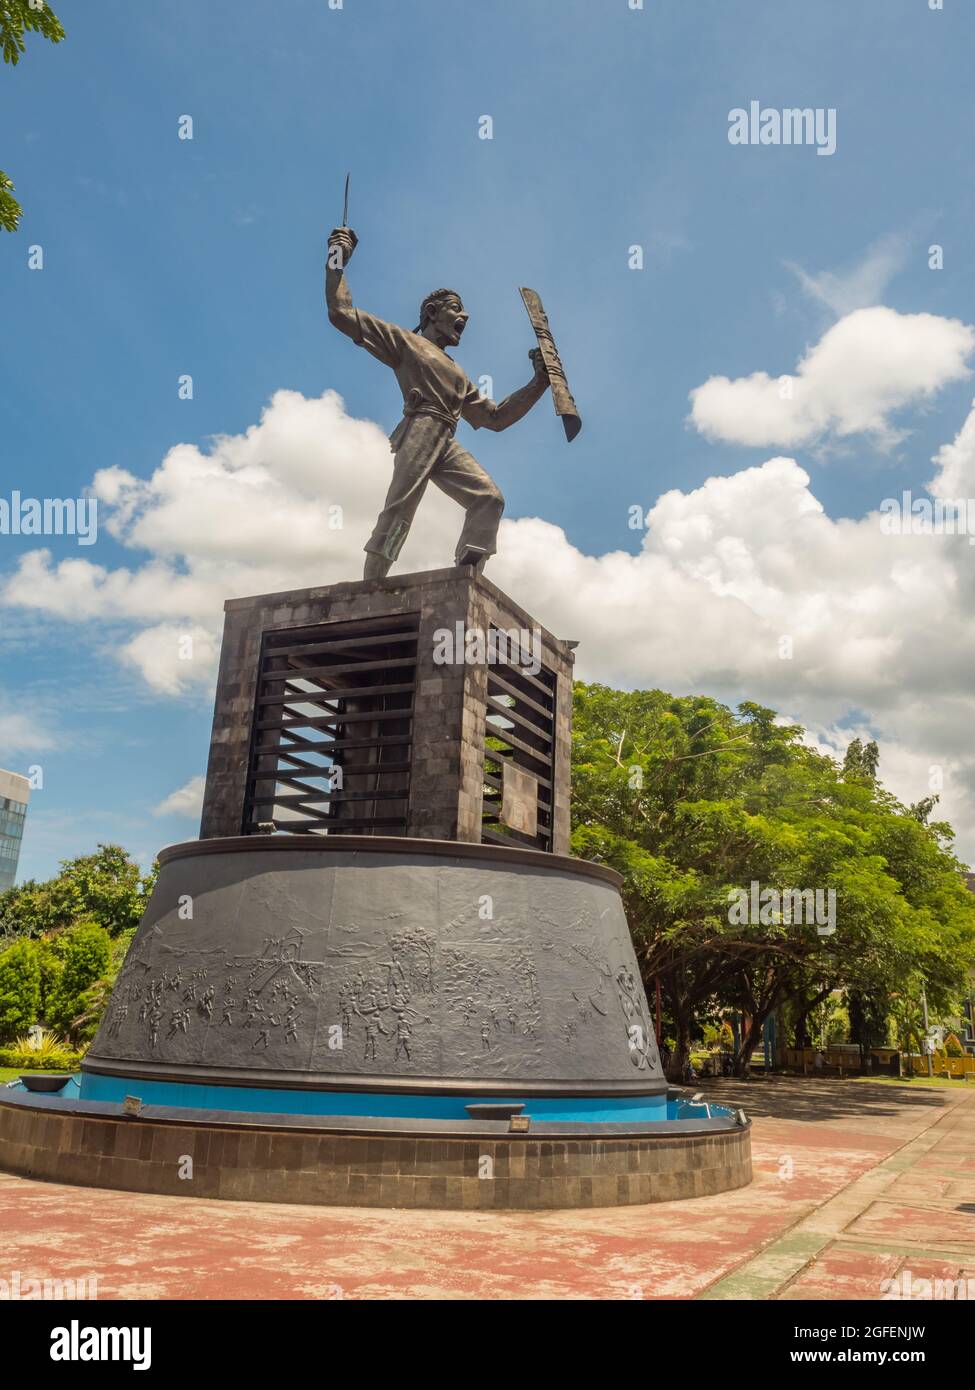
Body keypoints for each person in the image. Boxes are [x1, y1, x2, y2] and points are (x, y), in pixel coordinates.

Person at [325, 226, 551, 578]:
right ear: (432, 311)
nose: (466, 318)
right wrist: (336, 260)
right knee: (400, 508)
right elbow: (341, 313)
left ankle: (467, 575)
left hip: (445, 436)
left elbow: (496, 417)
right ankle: (370, 586)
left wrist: (538, 382)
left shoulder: (457, 374)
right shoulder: (404, 341)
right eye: (456, 310)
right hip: (420, 428)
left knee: (489, 498)